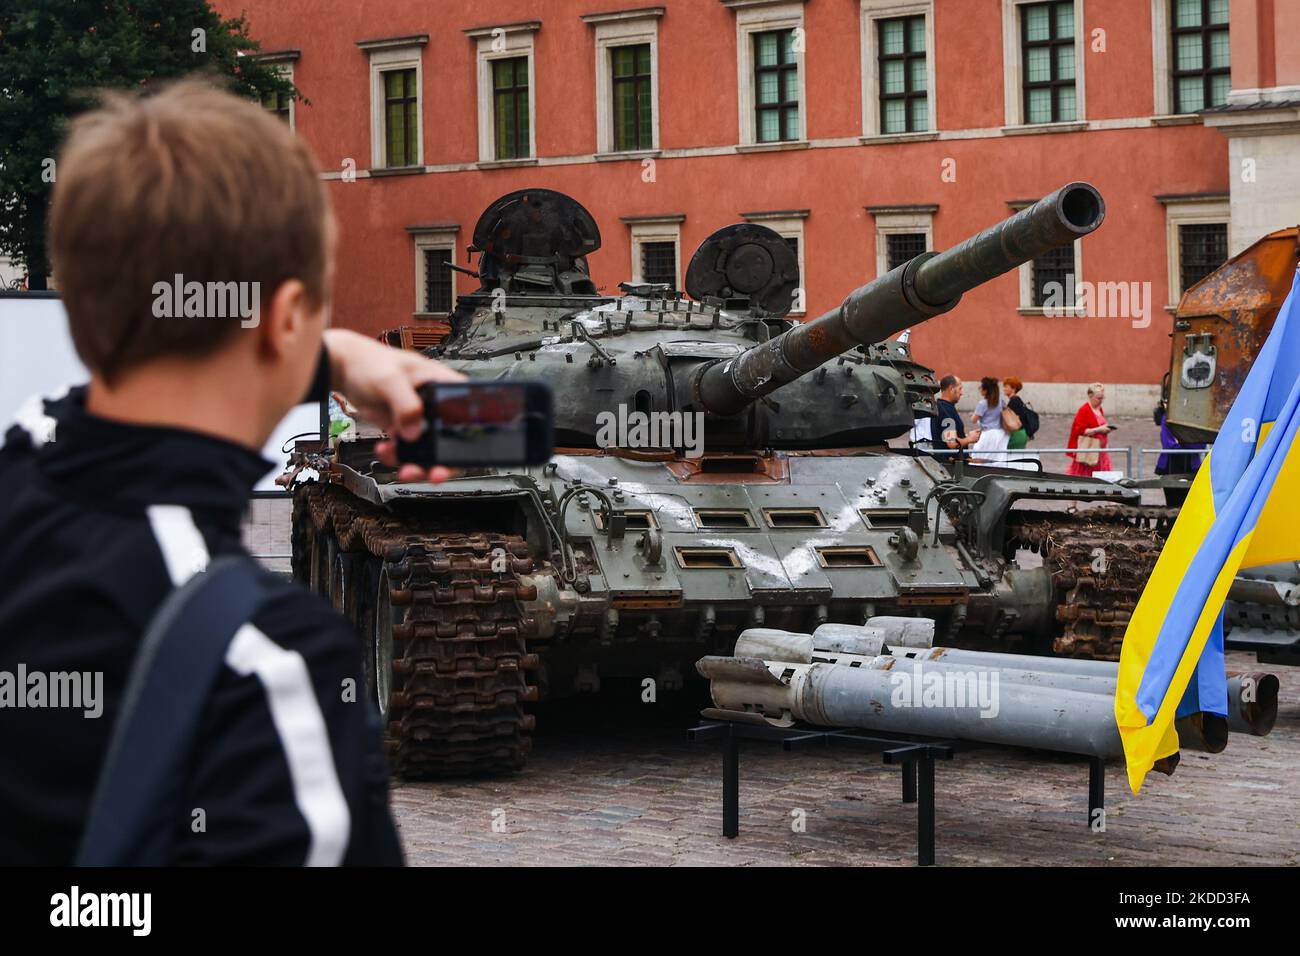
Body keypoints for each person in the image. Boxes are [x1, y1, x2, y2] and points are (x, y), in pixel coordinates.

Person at [0, 82, 465, 865]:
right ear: (286, 319)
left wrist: (320, 352)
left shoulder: (23, 460)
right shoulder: (269, 663)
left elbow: (98, 382)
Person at [1153, 400, 1205, 506]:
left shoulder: (1197, 418)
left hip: (1191, 466)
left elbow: (1200, 445)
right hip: (1170, 466)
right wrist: (1188, 442)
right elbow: (1168, 445)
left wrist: (1181, 442)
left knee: (1190, 504)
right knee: (1172, 504)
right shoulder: (1167, 418)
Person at [1067, 382, 1115, 477]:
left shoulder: (1099, 409)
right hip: (1089, 450)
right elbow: (1080, 431)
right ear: (1090, 396)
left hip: (1101, 451)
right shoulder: (1084, 410)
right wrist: (1099, 429)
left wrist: (1106, 429)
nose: (1101, 401)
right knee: (1087, 475)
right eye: (1098, 398)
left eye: (1102, 398)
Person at [927, 374, 981, 459]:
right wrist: (970, 439)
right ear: (951, 389)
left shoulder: (944, 407)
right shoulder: (945, 410)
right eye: (960, 388)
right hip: (952, 466)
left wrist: (966, 436)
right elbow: (952, 443)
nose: (962, 393)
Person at [969, 376, 1009, 461]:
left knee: (979, 459)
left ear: (986, 390)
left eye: (981, 387)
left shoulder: (983, 404)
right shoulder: (1000, 401)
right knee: (997, 460)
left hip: (987, 434)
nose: (979, 389)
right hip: (1001, 434)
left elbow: (973, 420)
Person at [1002, 376, 1036, 450]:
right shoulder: (1017, 400)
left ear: (1013, 389)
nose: (1004, 389)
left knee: (1011, 458)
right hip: (1022, 434)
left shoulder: (1014, 402)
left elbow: (1010, 421)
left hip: (1017, 435)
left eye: (1006, 387)